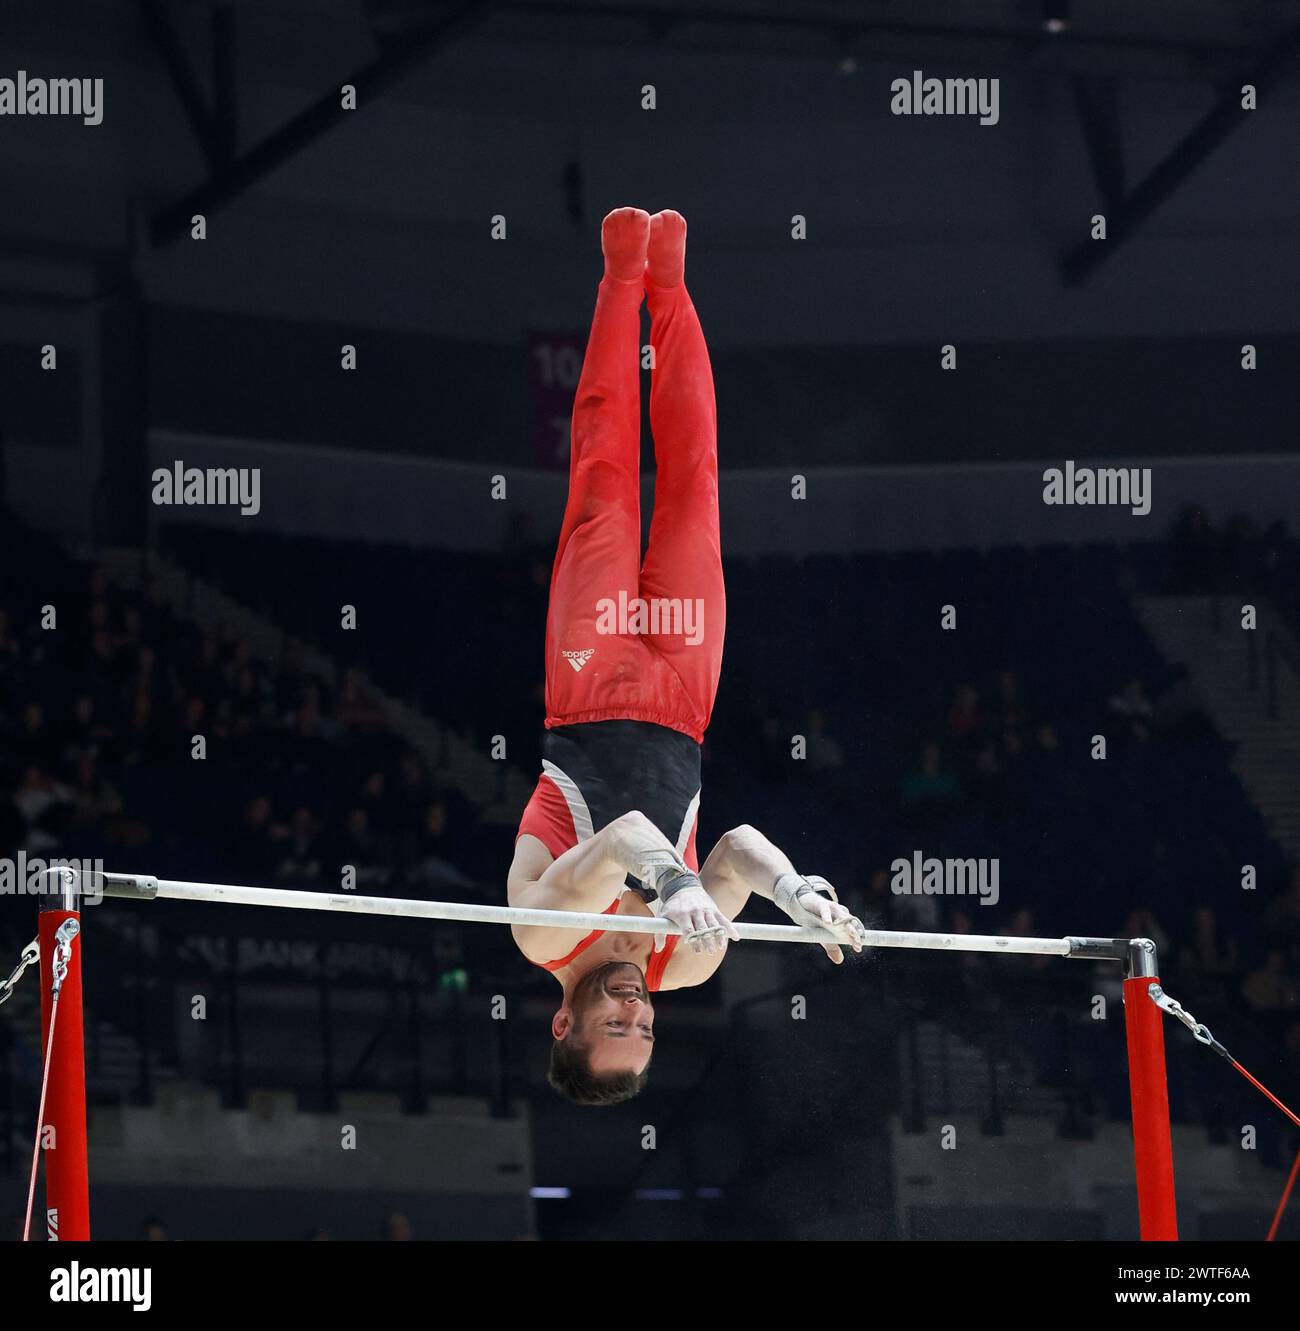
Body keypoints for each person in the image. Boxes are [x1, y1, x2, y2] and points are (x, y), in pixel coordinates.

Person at [507, 209, 865, 1106]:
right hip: (680, 696)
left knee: (606, 483)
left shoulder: (540, 934)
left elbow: (626, 833)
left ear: (565, 1023)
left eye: (611, 1027)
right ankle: (670, 285)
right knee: (697, 485)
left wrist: (671, 884)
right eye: (644, 1032)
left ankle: (621, 277)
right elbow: (739, 849)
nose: (635, 1012)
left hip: (587, 684)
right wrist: (796, 892)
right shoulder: (686, 964)